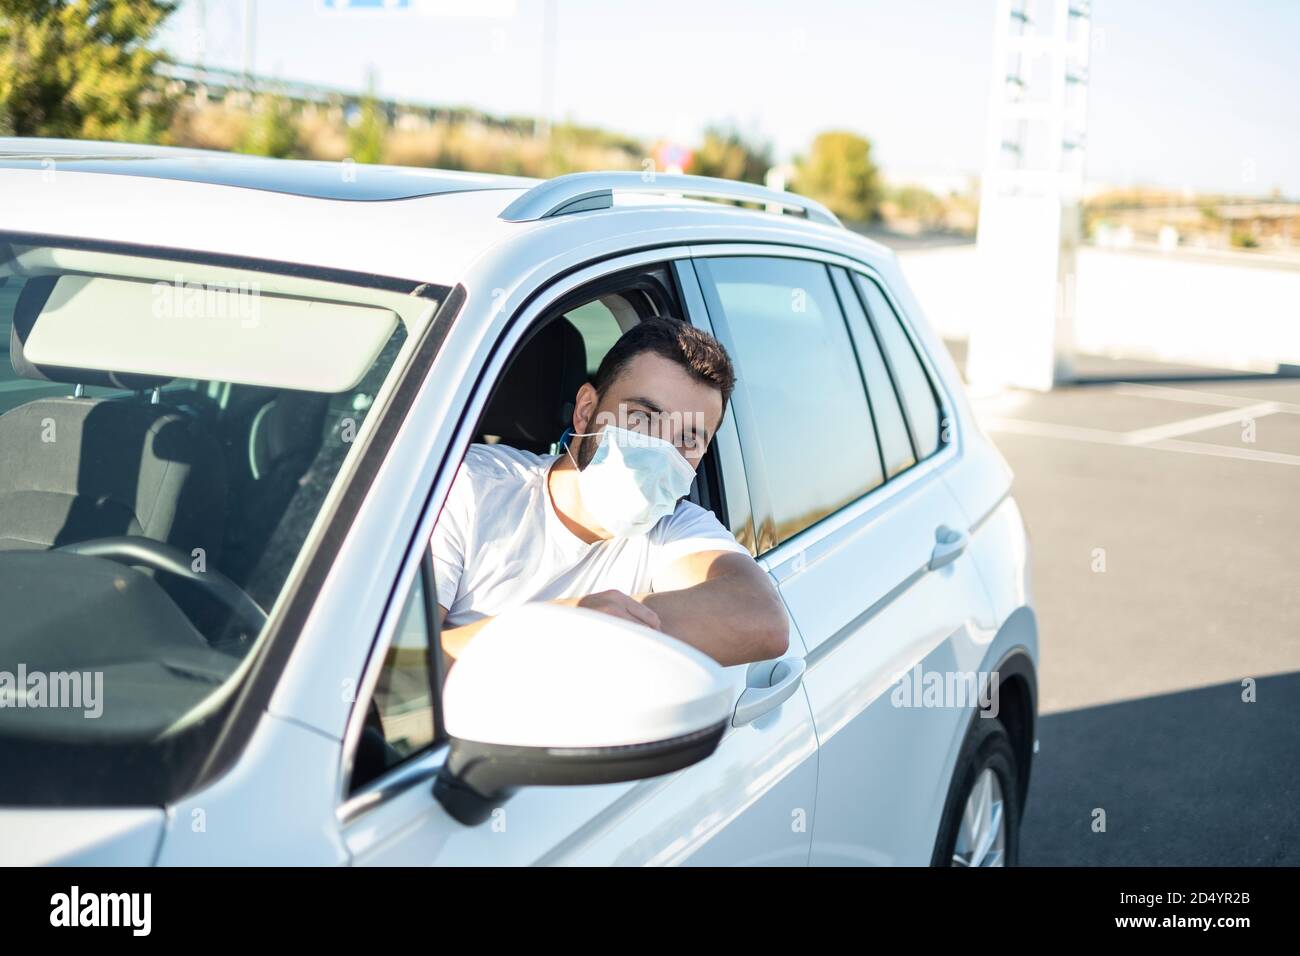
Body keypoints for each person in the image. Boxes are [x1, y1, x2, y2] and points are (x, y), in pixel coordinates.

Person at [431, 317, 788, 667]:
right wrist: (566, 625)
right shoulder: (467, 488)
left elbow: (763, 618)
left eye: (688, 439)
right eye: (642, 418)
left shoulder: (673, 531)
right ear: (586, 411)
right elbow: (397, 672)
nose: (660, 448)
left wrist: (603, 625)